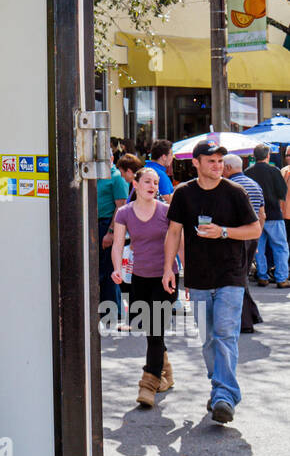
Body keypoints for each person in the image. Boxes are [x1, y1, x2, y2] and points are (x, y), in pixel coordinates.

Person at [162, 141, 260, 425]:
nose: (217, 166)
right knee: (208, 340)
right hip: (198, 278)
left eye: (220, 161)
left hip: (231, 275)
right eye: (211, 161)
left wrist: (223, 232)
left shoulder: (235, 192)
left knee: (225, 334)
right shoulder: (184, 194)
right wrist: (169, 269)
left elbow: (255, 229)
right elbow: (174, 232)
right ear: (196, 163)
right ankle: (220, 389)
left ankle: (224, 396)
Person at [111, 166, 178, 407]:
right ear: (136, 185)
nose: (153, 186)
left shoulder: (168, 211)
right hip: (139, 278)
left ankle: (149, 384)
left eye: (156, 183)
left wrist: (187, 273)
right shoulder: (124, 213)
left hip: (166, 277)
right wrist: (117, 268)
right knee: (149, 329)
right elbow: (118, 245)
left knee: (155, 330)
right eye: (148, 181)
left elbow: (178, 243)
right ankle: (166, 373)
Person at [222, 154, 265, 333]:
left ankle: (247, 320)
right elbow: (262, 214)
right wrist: (257, 236)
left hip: (237, 237)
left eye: (223, 166)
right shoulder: (255, 185)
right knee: (241, 277)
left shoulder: (232, 188)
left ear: (229, 168)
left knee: (238, 279)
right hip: (252, 237)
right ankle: (251, 315)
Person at [245, 143, 289, 288]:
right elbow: (282, 192)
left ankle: (262, 276)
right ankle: (282, 278)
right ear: (268, 156)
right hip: (274, 214)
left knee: (259, 247)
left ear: (254, 156)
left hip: (255, 216)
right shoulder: (274, 171)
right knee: (280, 247)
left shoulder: (248, 172)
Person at [98, 150, 129, 330]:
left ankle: (112, 313)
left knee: (109, 272)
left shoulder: (116, 177)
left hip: (107, 225)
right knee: (100, 272)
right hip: (94, 226)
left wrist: (111, 232)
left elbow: (121, 207)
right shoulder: (95, 177)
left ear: (111, 159)